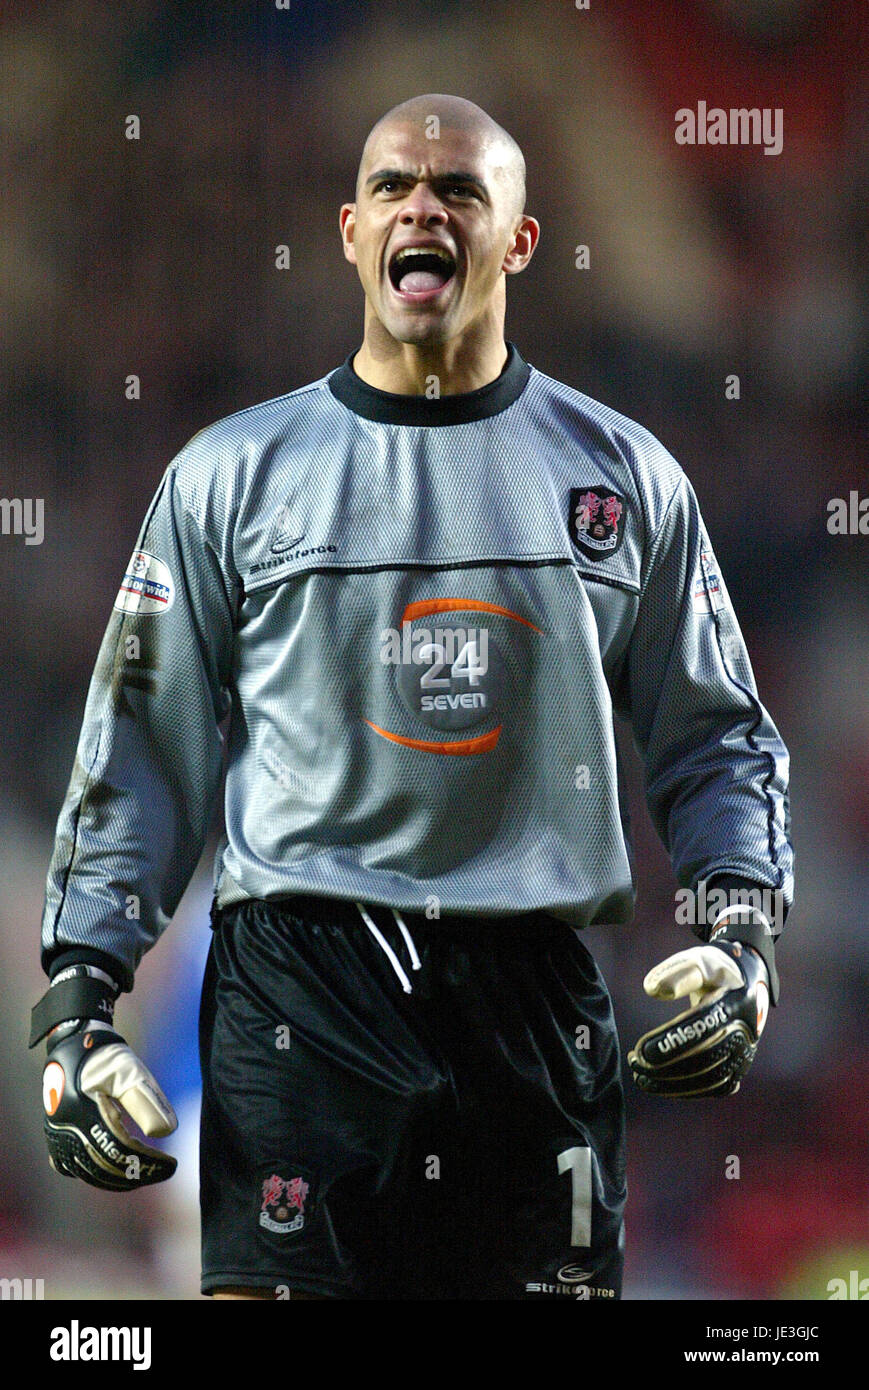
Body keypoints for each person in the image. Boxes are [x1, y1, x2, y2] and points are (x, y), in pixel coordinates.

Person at [30, 94, 793, 1301]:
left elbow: (716, 738)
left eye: (458, 190)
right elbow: (139, 753)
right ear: (348, 231)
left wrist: (739, 932)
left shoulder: (621, 477)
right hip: (297, 992)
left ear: (519, 240)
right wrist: (79, 998)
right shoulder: (228, 477)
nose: (420, 207)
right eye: (391, 187)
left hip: (531, 999)